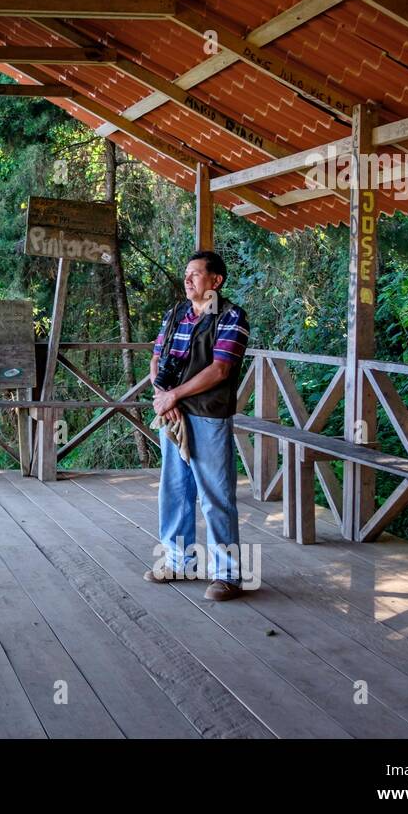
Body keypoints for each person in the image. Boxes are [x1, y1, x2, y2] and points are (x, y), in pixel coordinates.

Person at [143, 250, 250, 602]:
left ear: (215, 280)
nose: (188, 279)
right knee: (174, 492)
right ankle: (178, 562)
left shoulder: (232, 317)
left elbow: (220, 369)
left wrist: (174, 396)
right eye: (186, 274)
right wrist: (163, 396)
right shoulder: (176, 313)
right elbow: (157, 358)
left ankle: (228, 575)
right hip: (172, 415)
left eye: (196, 274)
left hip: (207, 415)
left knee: (215, 496)